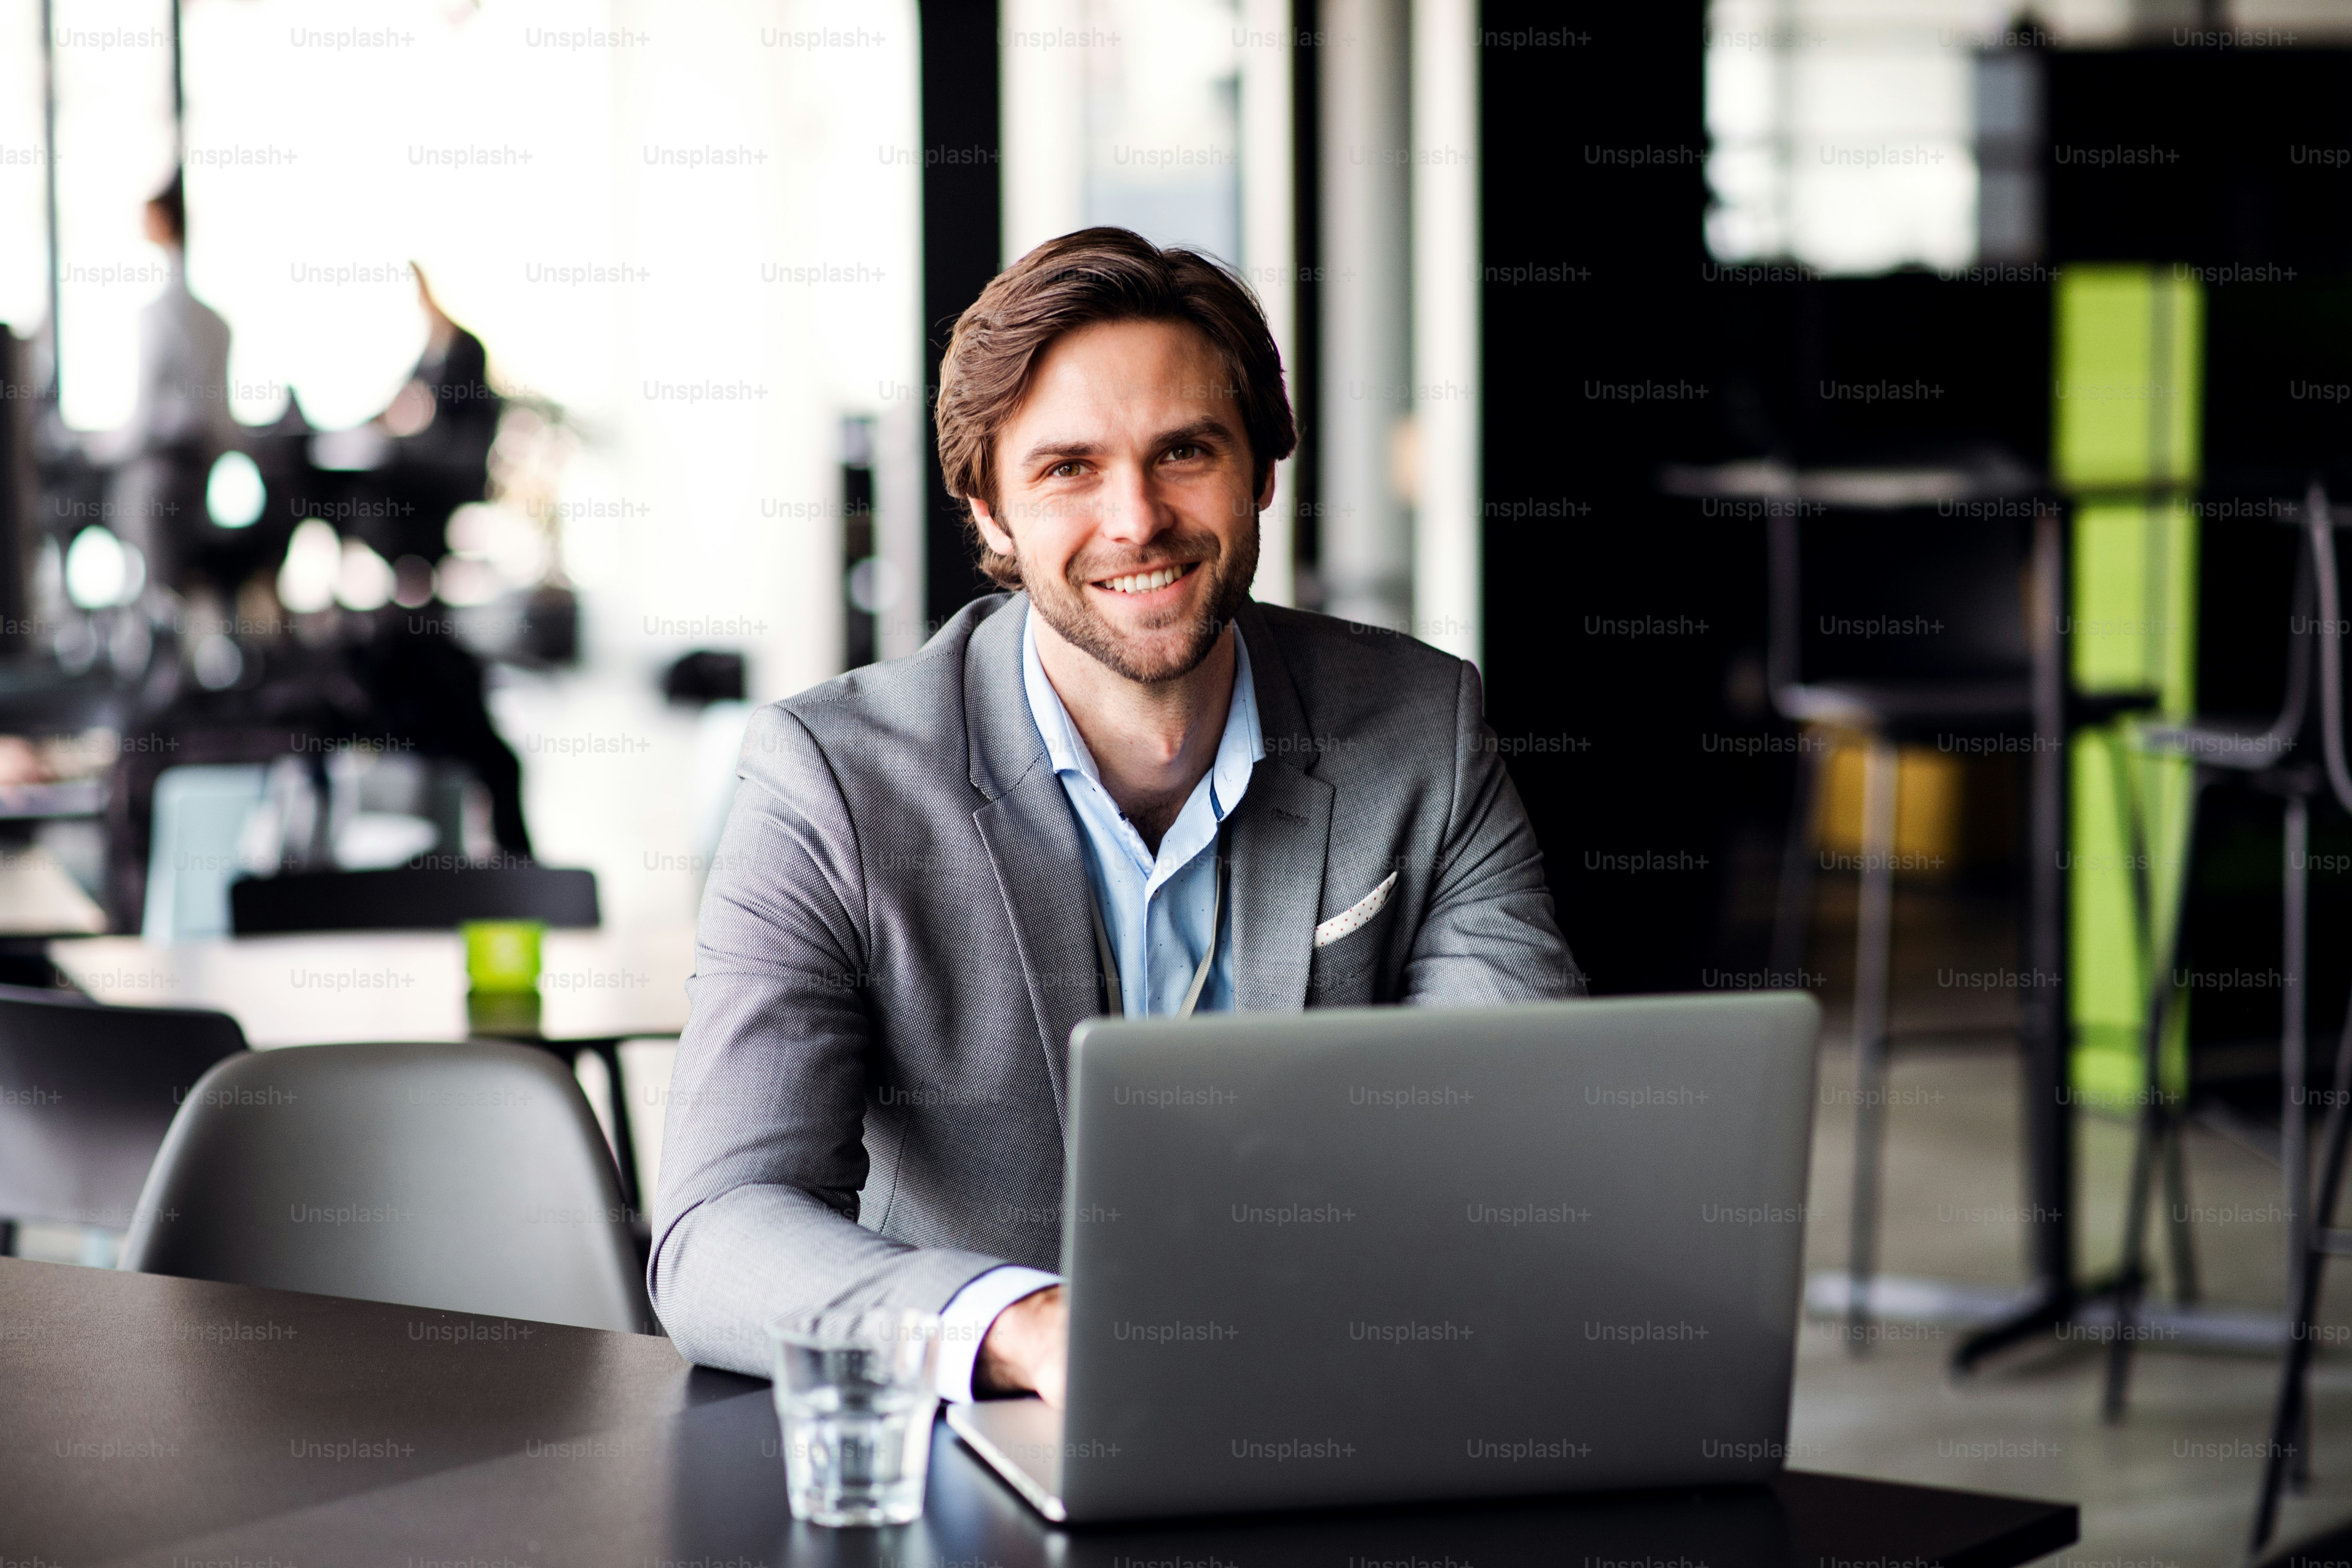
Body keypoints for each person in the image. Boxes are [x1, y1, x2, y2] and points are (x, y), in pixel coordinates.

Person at [651, 228, 1576, 1406]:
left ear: (1263, 473)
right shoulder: (830, 780)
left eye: (1185, 451)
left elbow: (1520, 1136)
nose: (1138, 519)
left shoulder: (1417, 725)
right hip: (983, 1446)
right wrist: (1024, 1326)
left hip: (1340, 1406)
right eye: (1068, 469)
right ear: (987, 511)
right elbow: (719, 1233)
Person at [103, 172, 234, 598]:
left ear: (162, 221)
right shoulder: (214, 321)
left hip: (163, 468)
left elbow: (144, 411)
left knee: (152, 561)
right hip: (201, 467)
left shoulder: (159, 314)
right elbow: (221, 416)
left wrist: (110, 449)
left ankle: (151, 631)